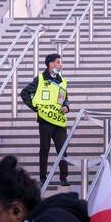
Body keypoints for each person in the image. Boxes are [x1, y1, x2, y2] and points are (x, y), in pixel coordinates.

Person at [20, 53, 71, 187]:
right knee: (45, 148)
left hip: (59, 120)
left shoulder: (62, 80)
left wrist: (66, 106)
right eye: (58, 62)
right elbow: (24, 93)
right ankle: (43, 176)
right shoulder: (40, 79)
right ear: (51, 64)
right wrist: (35, 107)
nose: (61, 65)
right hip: (45, 120)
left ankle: (64, 177)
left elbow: (65, 97)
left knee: (62, 149)